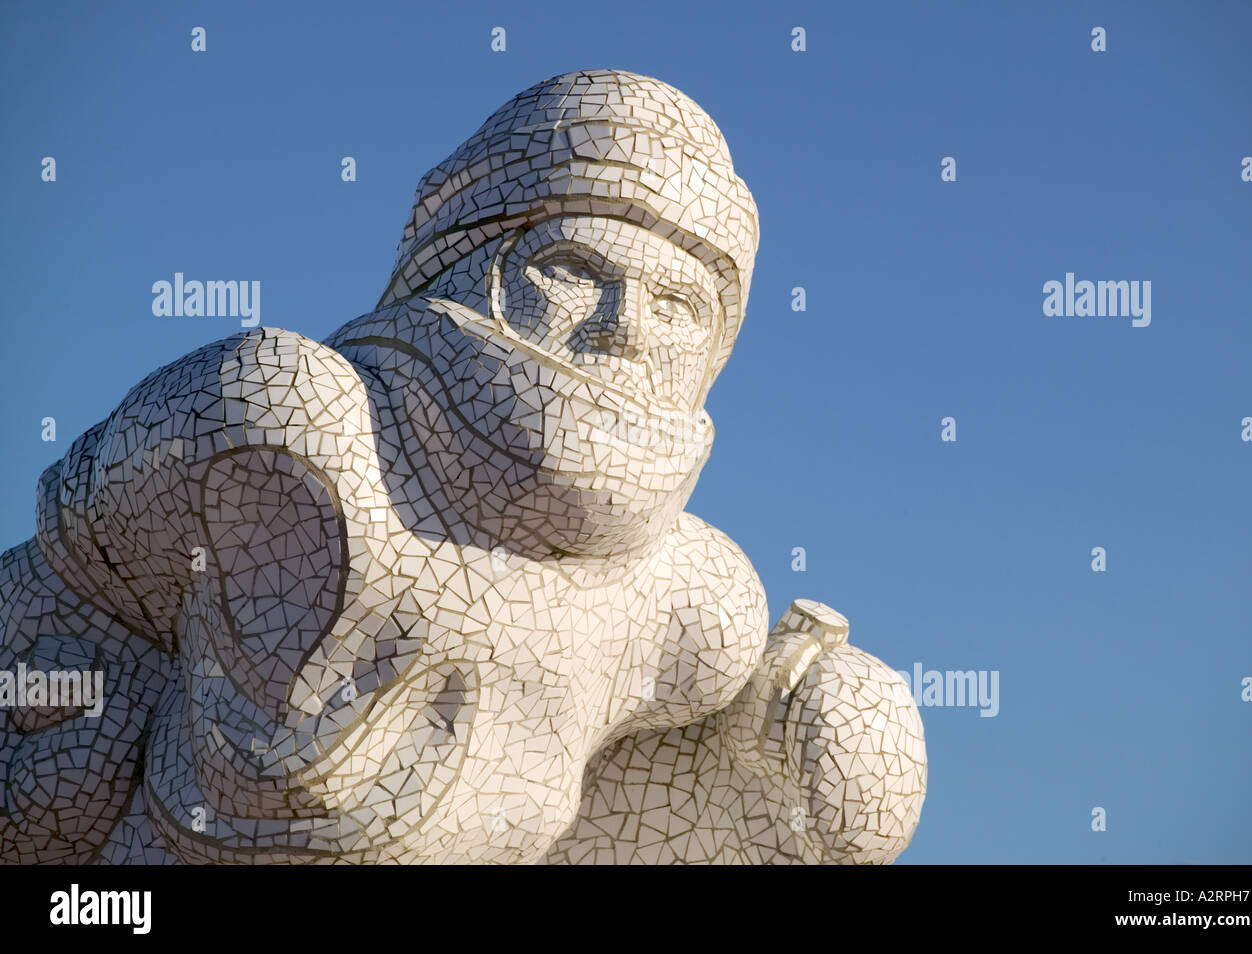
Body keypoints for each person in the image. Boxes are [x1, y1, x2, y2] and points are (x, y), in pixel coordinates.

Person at [0, 69, 924, 864]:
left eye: (679, 303)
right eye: (574, 269)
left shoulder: (696, 601)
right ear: (468, 259)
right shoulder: (289, 416)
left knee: (852, 731)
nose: (625, 327)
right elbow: (66, 569)